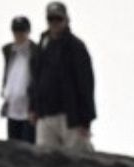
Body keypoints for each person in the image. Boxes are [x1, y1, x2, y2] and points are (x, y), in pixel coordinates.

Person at [28, 2, 96, 152]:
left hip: (70, 117)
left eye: (58, 19)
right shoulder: (43, 45)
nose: (55, 23)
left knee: (76, 162)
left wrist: (86, 120)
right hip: (45, 115)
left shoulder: (76, 47)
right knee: (44, 163)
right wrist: (33, 106)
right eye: (51, 19)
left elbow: (86, 83)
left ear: (66, 19)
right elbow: (35, 78)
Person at [0, 16, 36, 144]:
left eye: (22, 31)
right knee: (12, 147)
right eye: (16, 31)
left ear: (28, 32)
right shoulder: (10, 51)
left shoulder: (35, 52)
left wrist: (36, 106)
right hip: (12, 108)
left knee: (27, 148)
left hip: (29, 109)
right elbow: (9, 75)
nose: (19, 35)